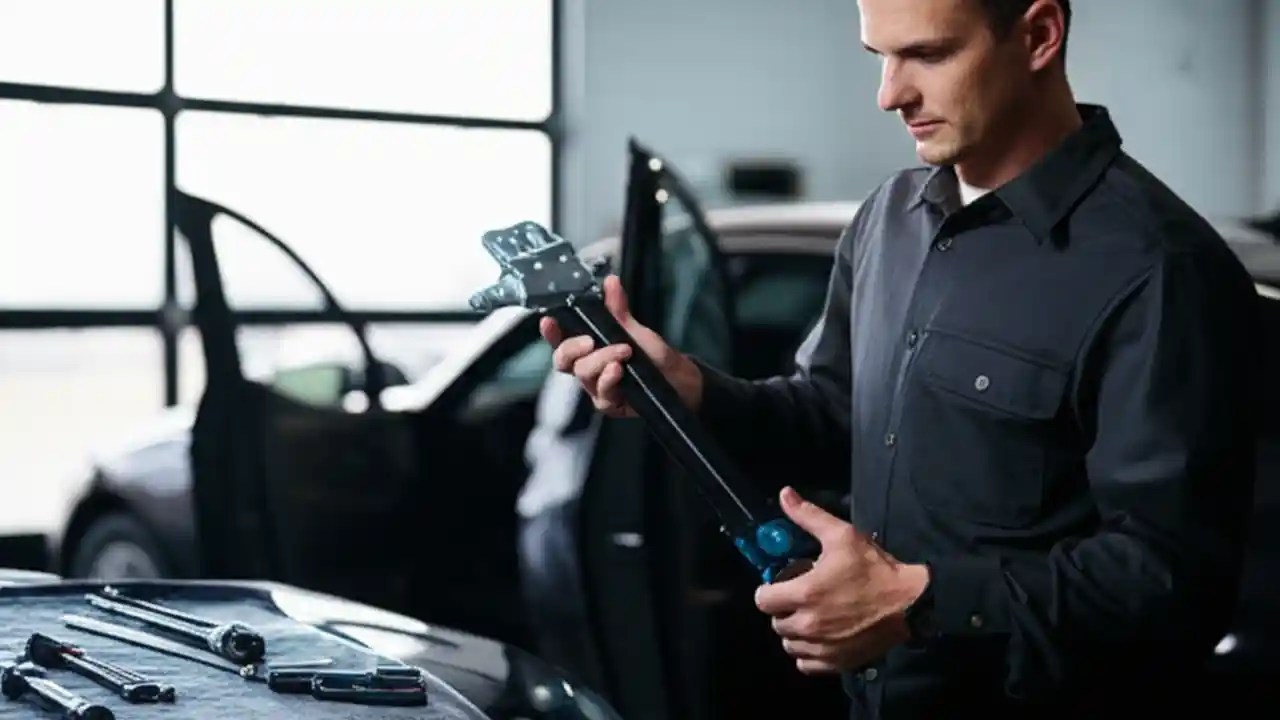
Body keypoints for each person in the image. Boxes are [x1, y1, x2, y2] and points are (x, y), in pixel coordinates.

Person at [540, 0, 1261, 716]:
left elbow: (1169, 580)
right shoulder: (888, 218)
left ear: (1040, 35)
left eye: (929, 54)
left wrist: (920, 602)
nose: (891, 95)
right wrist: (693, 390)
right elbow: (830, 412)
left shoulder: (1161, 270)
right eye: (879, 57)